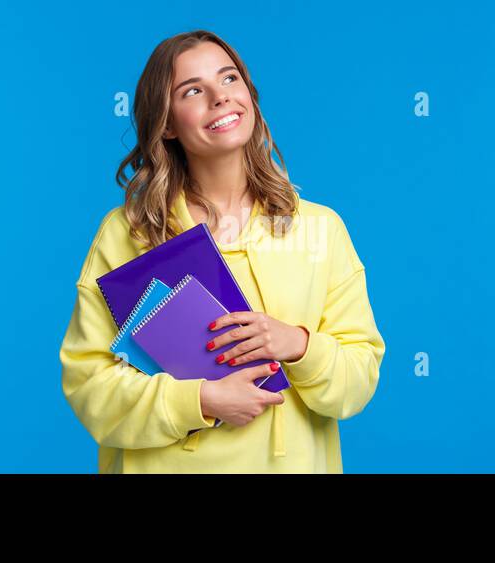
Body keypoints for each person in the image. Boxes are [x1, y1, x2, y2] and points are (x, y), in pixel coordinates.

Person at [59, 30, 384, 473]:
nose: (220, 98)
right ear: (167, 123)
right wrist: (200, 400)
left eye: (229, 79)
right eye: (193, 90)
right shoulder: (127, 234)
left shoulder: (320, 228)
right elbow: (90, 387)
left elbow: (357, 380)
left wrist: (298, 345)